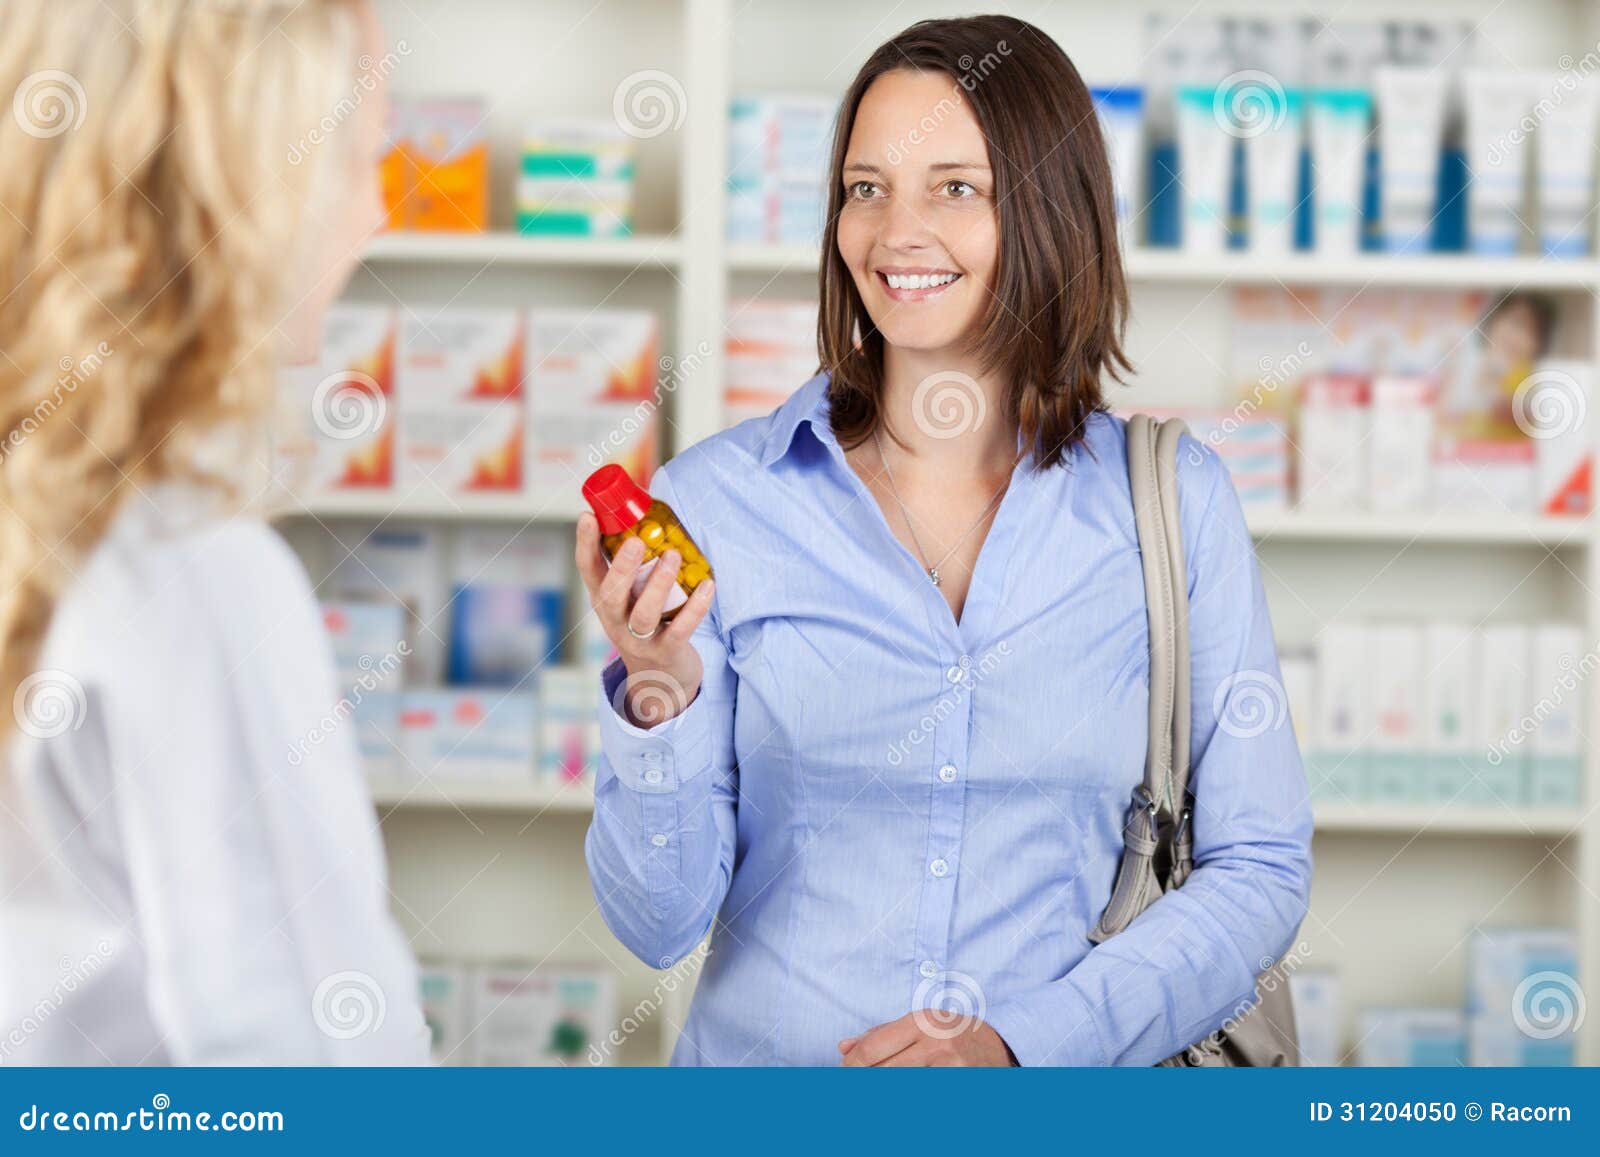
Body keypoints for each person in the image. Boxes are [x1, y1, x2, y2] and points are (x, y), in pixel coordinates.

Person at [578, 14, 1313, 1066]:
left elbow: (1259, 870)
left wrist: (1021, 1045)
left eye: (956, 187)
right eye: (865, 187)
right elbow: (656, 923)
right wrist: (660, 687)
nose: (896, 232)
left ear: (1051, 212)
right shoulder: (719, 503)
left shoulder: (1169, 506)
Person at [0, 0, 430, 1064]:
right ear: (252, 190)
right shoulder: (188, 576)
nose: (376, 214)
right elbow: (309, 1065)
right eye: (360, 161)